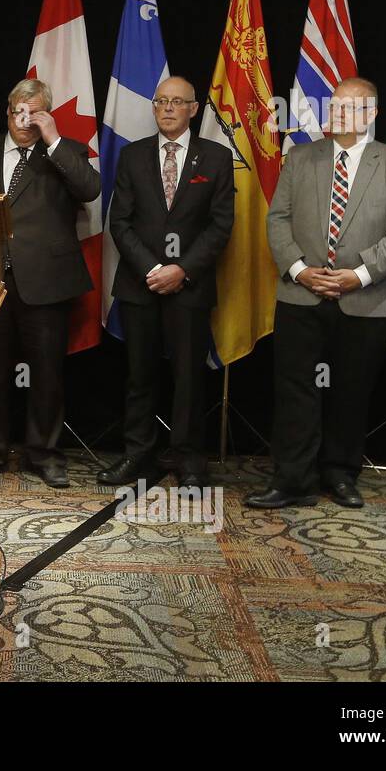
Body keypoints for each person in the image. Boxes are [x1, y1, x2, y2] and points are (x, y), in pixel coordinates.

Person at [250, 77, 386, 509]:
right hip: (302, 294)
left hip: (368, 299)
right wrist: (301, 270)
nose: (342, 114)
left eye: (354, 107)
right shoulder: (300, 158)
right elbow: (278, 220)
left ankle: (340, 474)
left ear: (373, 114)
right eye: (337, 106)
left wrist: (357, 275)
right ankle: (292, 480)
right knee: (296, 391)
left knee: (350, 389)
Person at [0, 78, 101, 488]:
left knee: (46, 373)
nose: (24, 119)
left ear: (45, 114)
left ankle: (45, 453)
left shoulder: (65, 151)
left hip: (46, 281)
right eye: (18, 111)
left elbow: (89, 189)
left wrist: (52, 139)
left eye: (33, 111)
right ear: (7, 112)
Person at [100, 76, 234, 489]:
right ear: (154, 107)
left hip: (189, 287)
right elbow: (119, 222)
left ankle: (189, 459)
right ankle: (138, 455)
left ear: (194, 109)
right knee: (140, 376)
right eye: (161, 101)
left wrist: (182, 270)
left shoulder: (215, 157)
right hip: (141, 285)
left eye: (178, 102)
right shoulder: (133, 156)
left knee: (188, 378)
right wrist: (153, 270)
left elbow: (220, 224)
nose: (169, 108)